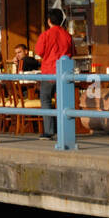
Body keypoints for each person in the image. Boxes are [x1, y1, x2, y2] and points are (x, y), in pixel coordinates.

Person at [35, 8, 75, 138]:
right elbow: (73, 52)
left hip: (48, 71)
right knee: (63, 102)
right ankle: (65, 130)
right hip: (64, 73)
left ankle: (49, 131)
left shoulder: (45, 35)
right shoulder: (67, 35)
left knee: (46, 100)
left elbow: (39, 52)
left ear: (48, 21)